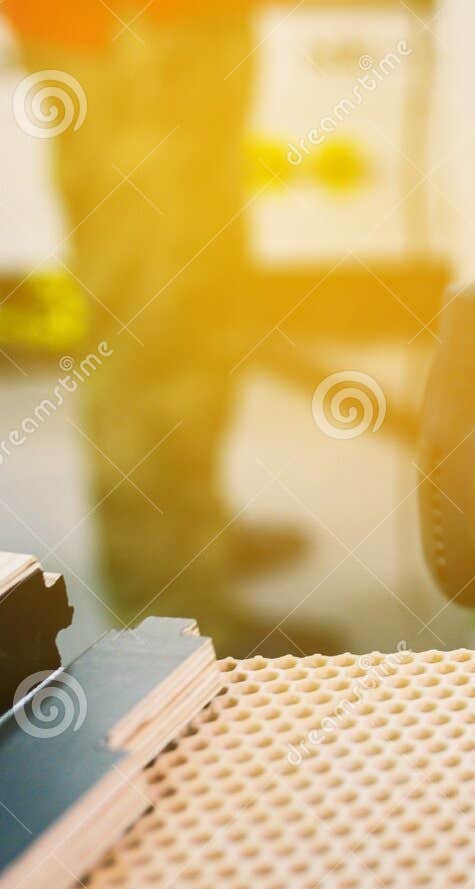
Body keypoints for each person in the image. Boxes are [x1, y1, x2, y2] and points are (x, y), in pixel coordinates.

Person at [5, 0, 331, 657]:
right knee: (152, 324)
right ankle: (175, 623)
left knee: (201, 298)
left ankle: (194, 532)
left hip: (188, 26)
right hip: (126, 31)